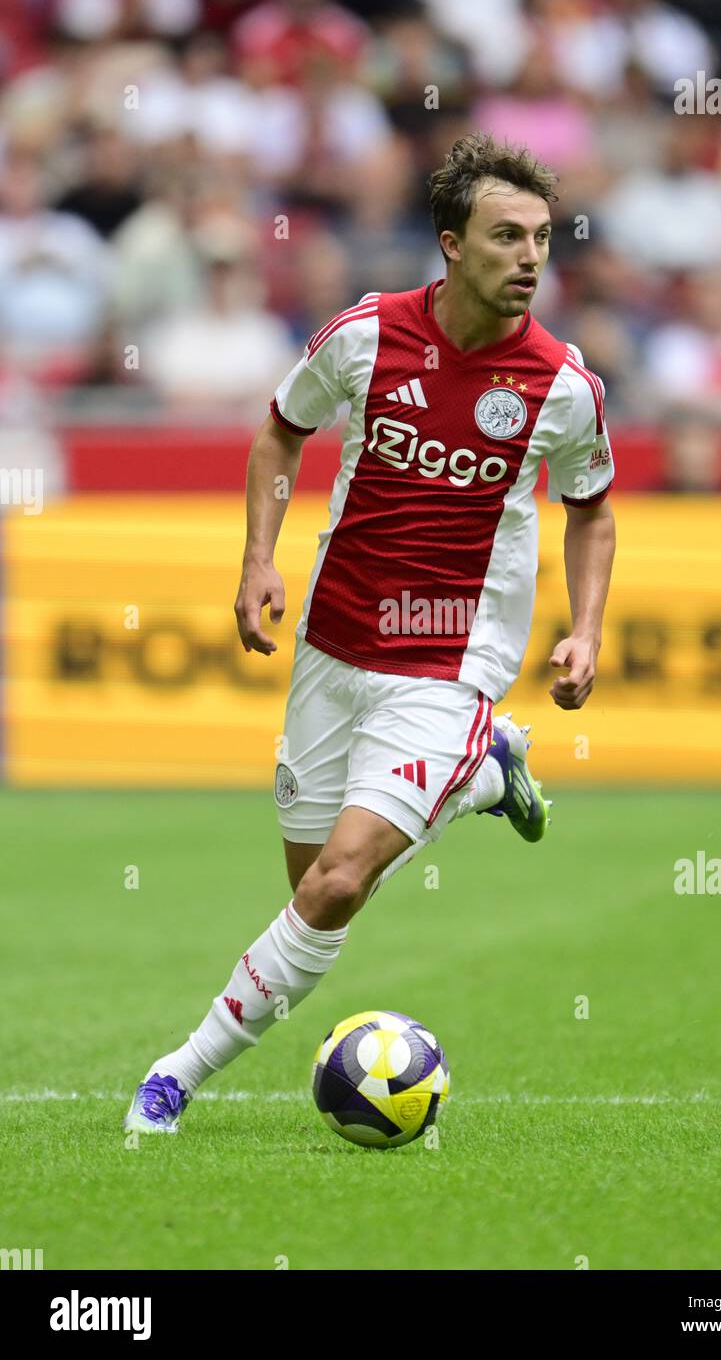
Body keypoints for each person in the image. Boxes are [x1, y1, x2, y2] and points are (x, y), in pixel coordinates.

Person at [124, 132, 616, 1134]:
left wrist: (585, 632)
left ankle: (174, 1075)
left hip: (448, 660)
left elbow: (591, 507)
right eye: (505, 235)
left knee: (340, 883)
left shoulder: (561, 386)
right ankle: (485, 773)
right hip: (332, 644)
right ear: (449, 243)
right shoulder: (363, 337)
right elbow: (280, 430)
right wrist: (258, 559)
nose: (529, 257)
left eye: (541, 238)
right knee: (312, 887)